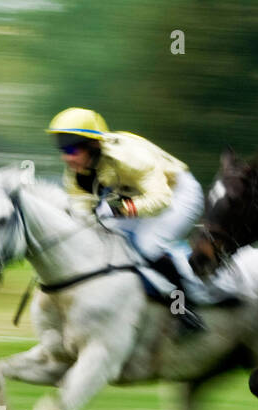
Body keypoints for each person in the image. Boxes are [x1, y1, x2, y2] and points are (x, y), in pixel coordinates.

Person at [46, 107, 206, 334]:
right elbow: (82, 212)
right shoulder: (76, 174)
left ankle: (184, 308)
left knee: (147, 246)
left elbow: (160, 199)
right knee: (106, 240)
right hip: (134, 196)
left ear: (92, 146)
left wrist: (122, 209)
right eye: (62, 150)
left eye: (71, 149)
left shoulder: (130, 158)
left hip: (178, 193)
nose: (66, 157)